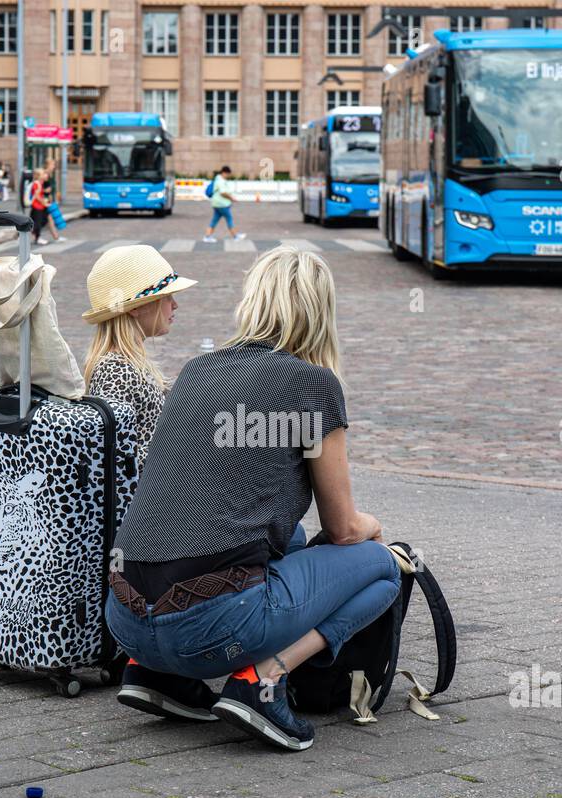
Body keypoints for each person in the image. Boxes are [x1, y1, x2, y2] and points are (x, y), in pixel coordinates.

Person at [104, 247, 399, 752]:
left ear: (254, 301)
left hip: (126, 619)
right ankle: (262, 680)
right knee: (381, 568)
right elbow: (345, 529)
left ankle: (155, 675)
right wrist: (372, 529)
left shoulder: (196, 371)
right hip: (213, 628)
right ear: (320, 310)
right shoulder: (313, 384)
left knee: (295, 537)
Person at [81, 245, 195, 469]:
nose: (175, 304)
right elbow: (117, 461)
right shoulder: (116, 370)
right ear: (136, 308)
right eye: (167, 296)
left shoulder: (128, 362)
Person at [203, 165, 245, 243]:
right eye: (228, 174)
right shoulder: (220, 181)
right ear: (224, 173)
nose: (228, 176)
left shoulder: (218, 179)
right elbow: (223, 193)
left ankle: (207, 236)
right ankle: (235, 236)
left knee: (214, 220)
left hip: (217, 204)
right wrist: (232, 198)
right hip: (222, 204)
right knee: (229, 219)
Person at [28, 165, 63, 245]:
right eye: (43, 174)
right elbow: (36, 196)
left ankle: (34, 234)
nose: (45, 175)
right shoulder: (36, 184)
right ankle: (37, 237)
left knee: (43, 220)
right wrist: (44, 202)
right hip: (37, 206)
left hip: (41, 206)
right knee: (38, 222)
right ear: (39, 176)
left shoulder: (40, 183)